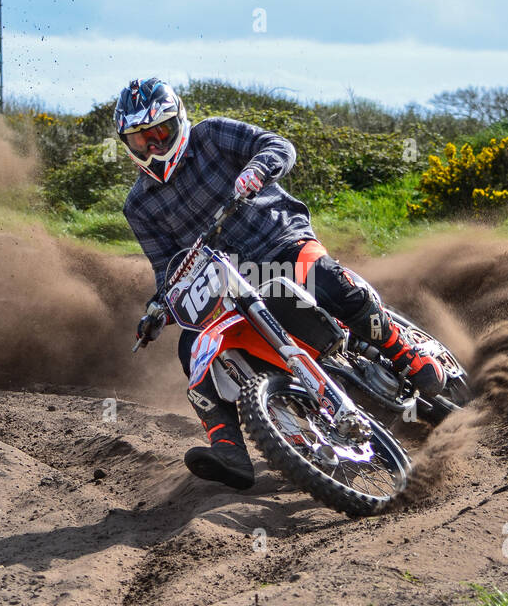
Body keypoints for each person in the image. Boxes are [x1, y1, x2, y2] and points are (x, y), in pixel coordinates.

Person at [116, 77, 443, 490]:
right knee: (192, 348)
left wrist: (256, 169)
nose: (151, 147)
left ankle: (405, 354)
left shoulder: (213, 134)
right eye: (139, 140)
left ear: (178, 121)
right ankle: (229, 450)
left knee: (330, 282)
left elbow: (278, 146)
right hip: (229, 282)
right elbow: (168, 269)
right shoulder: (139, 205)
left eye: (158, 133)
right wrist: (156, 309)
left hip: (280, 241)